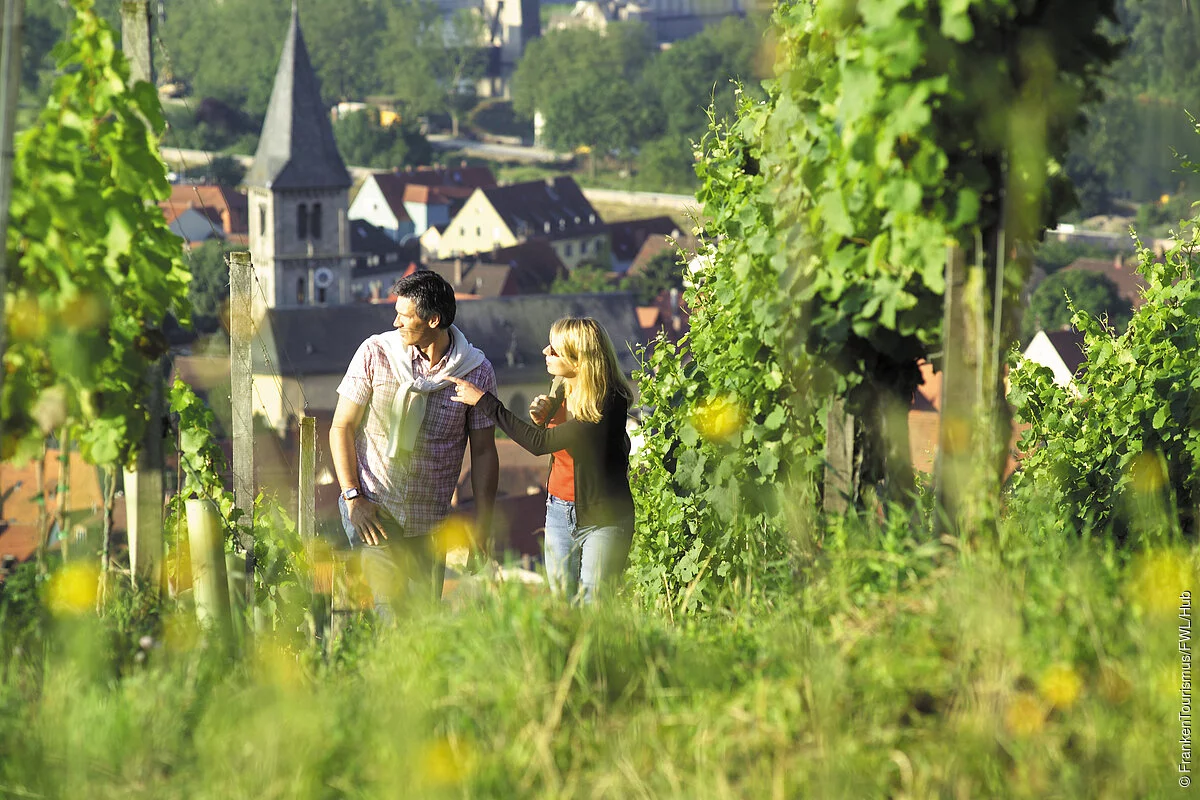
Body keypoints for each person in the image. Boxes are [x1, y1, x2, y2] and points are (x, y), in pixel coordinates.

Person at [329, 271, 499, 614]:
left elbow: (483, 452)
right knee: (391, 617)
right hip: (375, 512)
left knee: (421, 629)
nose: (395, 322)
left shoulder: (476, 371)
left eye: (404, 316)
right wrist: (353, 497)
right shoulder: (375, 353)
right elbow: (341, 427)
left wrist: (482, 522)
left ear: (433, 319)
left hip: (430, 523)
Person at [449, 317, 635, 603]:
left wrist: (484, 402)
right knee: (563, 604)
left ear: (579, 359)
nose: (545, 351)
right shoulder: (563, 388)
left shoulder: (608, 403)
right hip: (559, 512)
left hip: (604, 517)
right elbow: (549, 438)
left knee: (593, 605)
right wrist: (542, 416)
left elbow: (539, 444)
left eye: (555, 350)